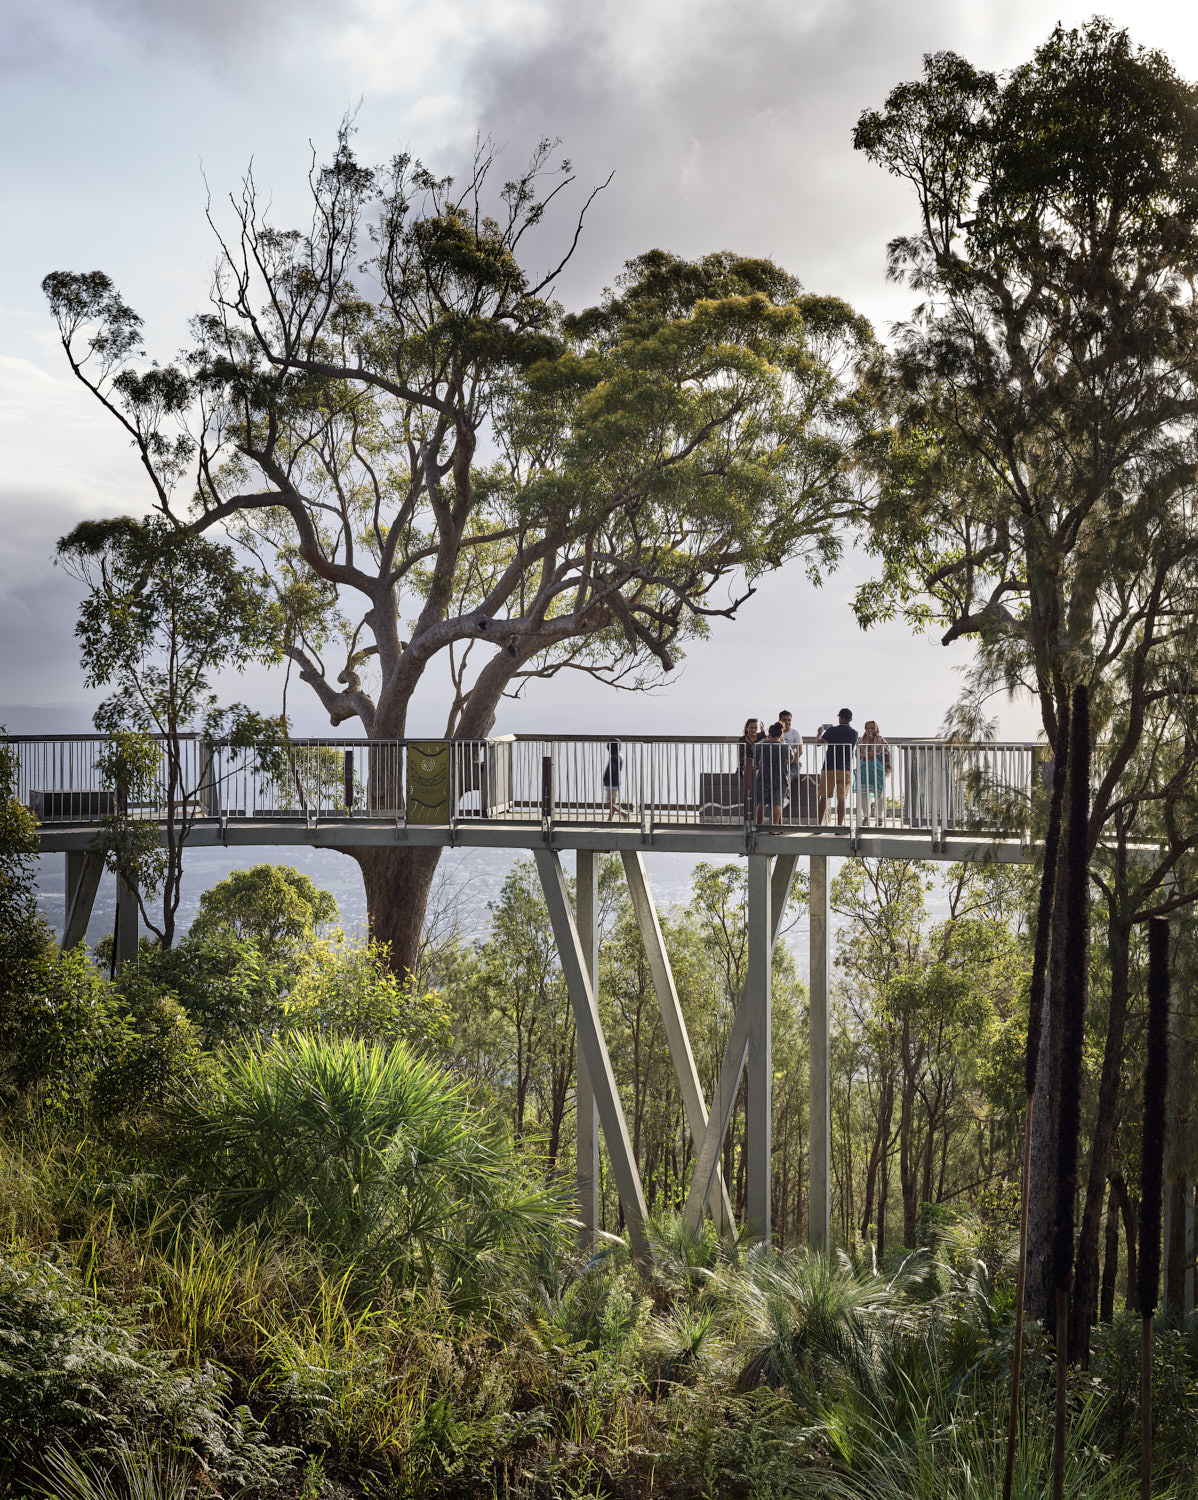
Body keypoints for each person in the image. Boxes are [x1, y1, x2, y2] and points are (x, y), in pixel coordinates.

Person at [817, 708, 858, 826]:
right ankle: (839, 825)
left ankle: (819, 825)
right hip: (845, 768)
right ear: (851, 719)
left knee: (824, 797)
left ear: (840, 718)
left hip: (830, 767)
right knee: (841, 798)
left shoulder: (832, 730)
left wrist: (819, 732)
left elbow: (819, 742)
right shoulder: (854, 733)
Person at [856, 719, 890, 826]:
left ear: (876, 729)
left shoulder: (881, 740)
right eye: (867, 728)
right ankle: (866, 816)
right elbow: (857, 754)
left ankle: (880, 817)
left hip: (877, 770)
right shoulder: (862, 741)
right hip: (864, 769)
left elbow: (886, 754)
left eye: (872, 728)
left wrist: (876, 755)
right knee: (863, 794)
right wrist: (864, 755)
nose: (870, 730)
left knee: (879, 794)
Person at [757, 721, 787, 826]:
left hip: (764, 777)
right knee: (777, 804)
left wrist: (764, 740)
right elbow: (792, 757)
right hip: (780, 778)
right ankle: (774, 829)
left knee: (761, 804)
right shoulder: (784, 747)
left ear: (770, 734)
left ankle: (759, 826)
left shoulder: (764, 745)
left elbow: (753, 748)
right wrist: (784, 743)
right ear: (780, 734)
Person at [779, 709, 802, 823]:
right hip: (779, 763)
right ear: (780, 721)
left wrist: (791, 762)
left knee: (791, 776)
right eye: (785, 720)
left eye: (789, 720)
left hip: (793, 763)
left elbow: (800, 751)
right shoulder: (777, 733)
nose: (787, 722)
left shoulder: (795, 733)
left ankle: (786, 797)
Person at [738, 718, 762, 821]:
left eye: (755, 728)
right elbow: (741, 757)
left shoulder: (761, 738)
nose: (753, 730)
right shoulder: (742, 740)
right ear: (747, 728)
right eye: (751, 728)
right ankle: (748, 815)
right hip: (745, 766)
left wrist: (759, 769)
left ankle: (755, 816)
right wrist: (743, 769)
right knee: (748, 783)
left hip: (758, 766)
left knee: (757, 784)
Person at [602, 739, 625, 820]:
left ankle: (623, 813)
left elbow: (611, 771)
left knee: (608, 803)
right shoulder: (620, 756)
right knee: (613, 803)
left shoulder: (614, 758)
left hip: (611, 783)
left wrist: (605, 779)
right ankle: (609, 819)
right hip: (616, 782)